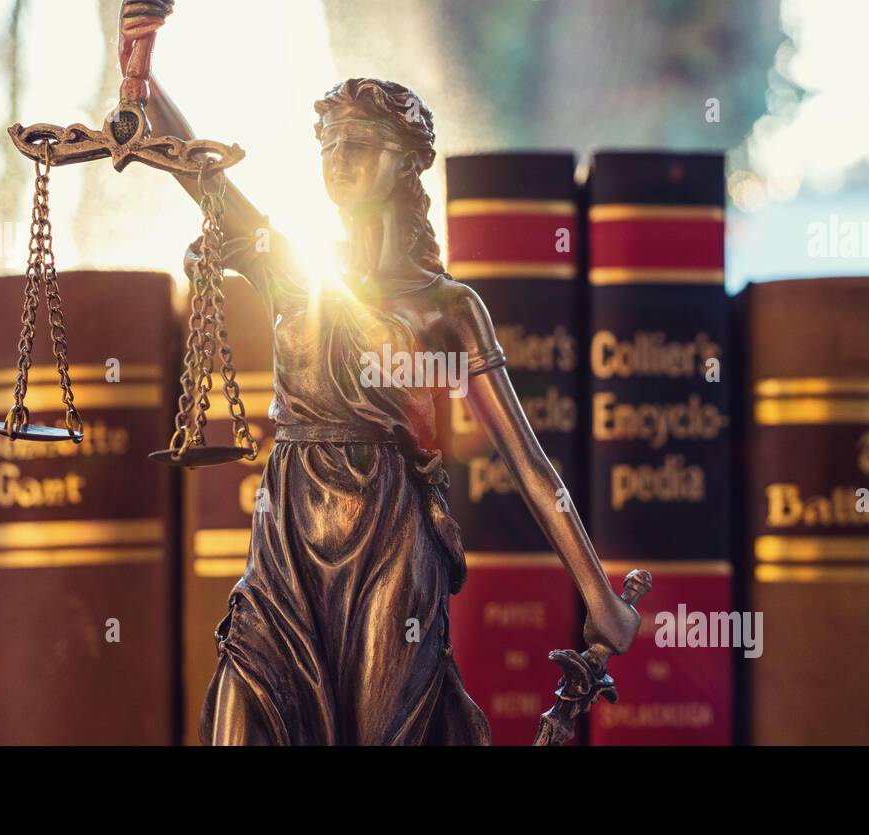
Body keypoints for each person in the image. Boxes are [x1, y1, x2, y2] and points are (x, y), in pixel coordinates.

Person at [120, 8, 640, 746]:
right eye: (327, 144)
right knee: (242, 708)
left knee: (380, 727)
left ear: (405, 162)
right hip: (286, 530)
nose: (336, 158)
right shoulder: (290, 269)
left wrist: (599, 594)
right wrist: (141, 79)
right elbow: (199, 173)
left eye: (358, 144)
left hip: (389, 540)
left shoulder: (448, 307)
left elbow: (527, 461)